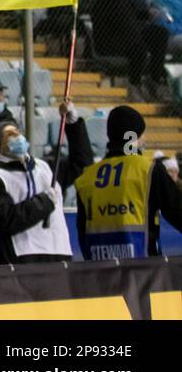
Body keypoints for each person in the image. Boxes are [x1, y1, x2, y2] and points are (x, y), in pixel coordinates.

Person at [0, 103, 91, 264]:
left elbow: (82, 164)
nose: (15, 138)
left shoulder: (45, 167)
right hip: (20, 259)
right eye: (8, 136)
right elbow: (5, 221)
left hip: (58, 254)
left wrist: (73, 125)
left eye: (16, 133)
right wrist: (44, 202)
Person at [75, 105, 182, 259]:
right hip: (142, 270)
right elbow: (177, 211)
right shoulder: (149, 170)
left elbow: (82, 232)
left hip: (100, 271)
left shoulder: (87, 178)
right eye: (141, 134)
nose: (144, 139)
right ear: (132, 136)